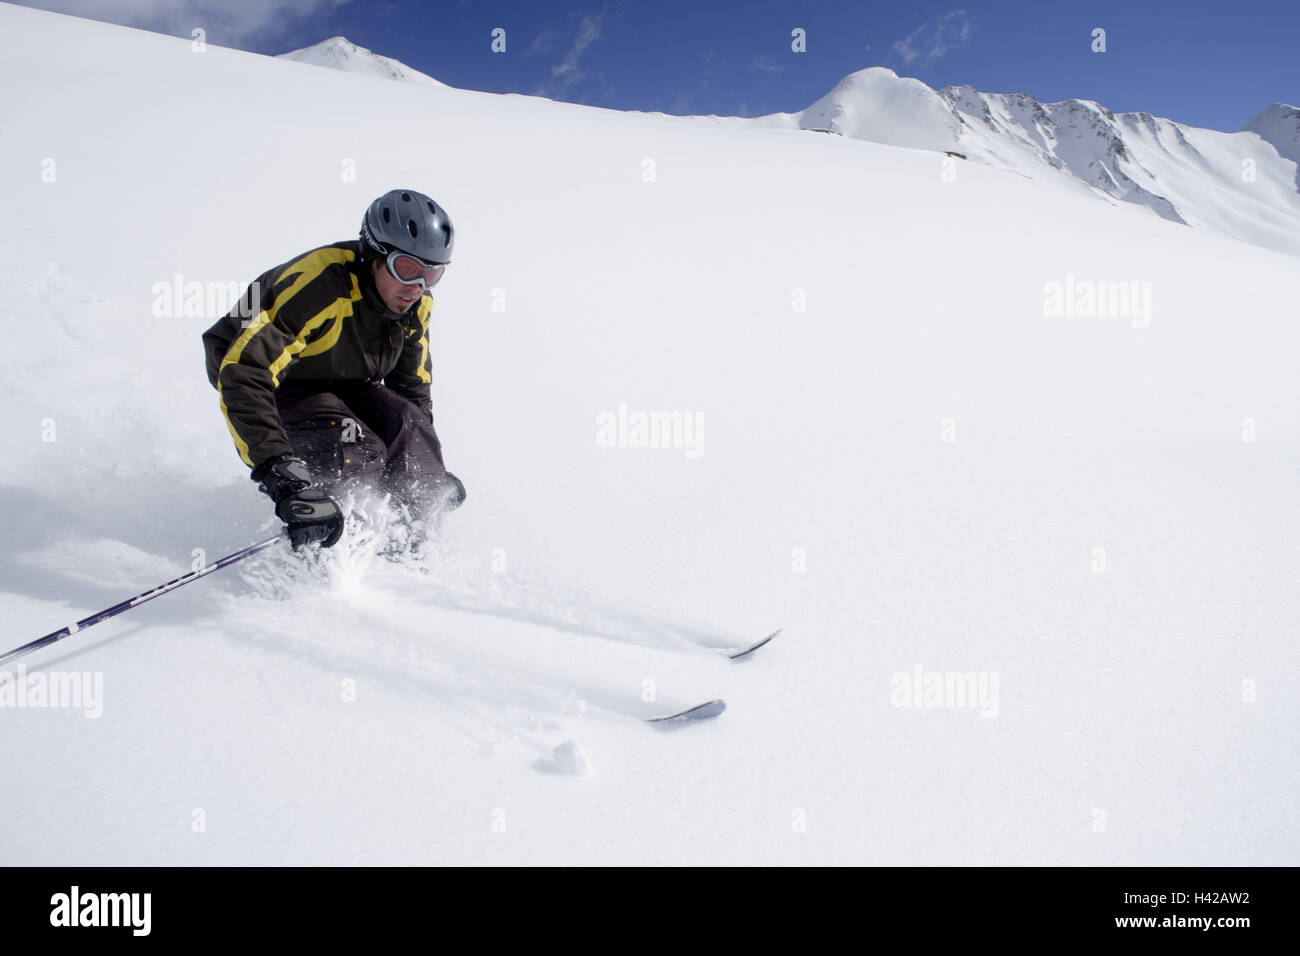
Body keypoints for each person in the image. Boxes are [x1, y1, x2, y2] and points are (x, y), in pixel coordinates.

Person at [202, 188, 465, 549]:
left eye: (432, 274)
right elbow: (245, 371)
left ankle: (406, 554)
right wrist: (281, 475)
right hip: (272, 378)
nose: (417, 287)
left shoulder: (413, 306)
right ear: (376, 255)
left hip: (342, 375)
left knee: (410, 427)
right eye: (407, 269)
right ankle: (323, 546)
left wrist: (425, 468)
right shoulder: (321, 286)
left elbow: (411, 389)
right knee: (354, 446)